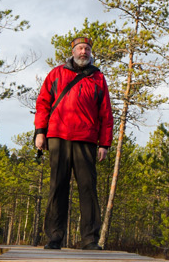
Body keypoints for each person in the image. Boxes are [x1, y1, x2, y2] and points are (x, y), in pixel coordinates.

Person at [33, 36, 114, 249]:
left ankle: (90, 240)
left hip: (86, 139)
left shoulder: (98, 78)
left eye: (87, 48)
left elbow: (106, 113)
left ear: (90, 53)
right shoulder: (57, 74)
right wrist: (40, 132)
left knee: (88, 189)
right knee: (57, 187)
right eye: (80, 48)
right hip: (58, 136)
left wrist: (104, 144)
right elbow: (43, 103)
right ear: (73, 51)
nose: (83, 52)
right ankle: (54, 237)